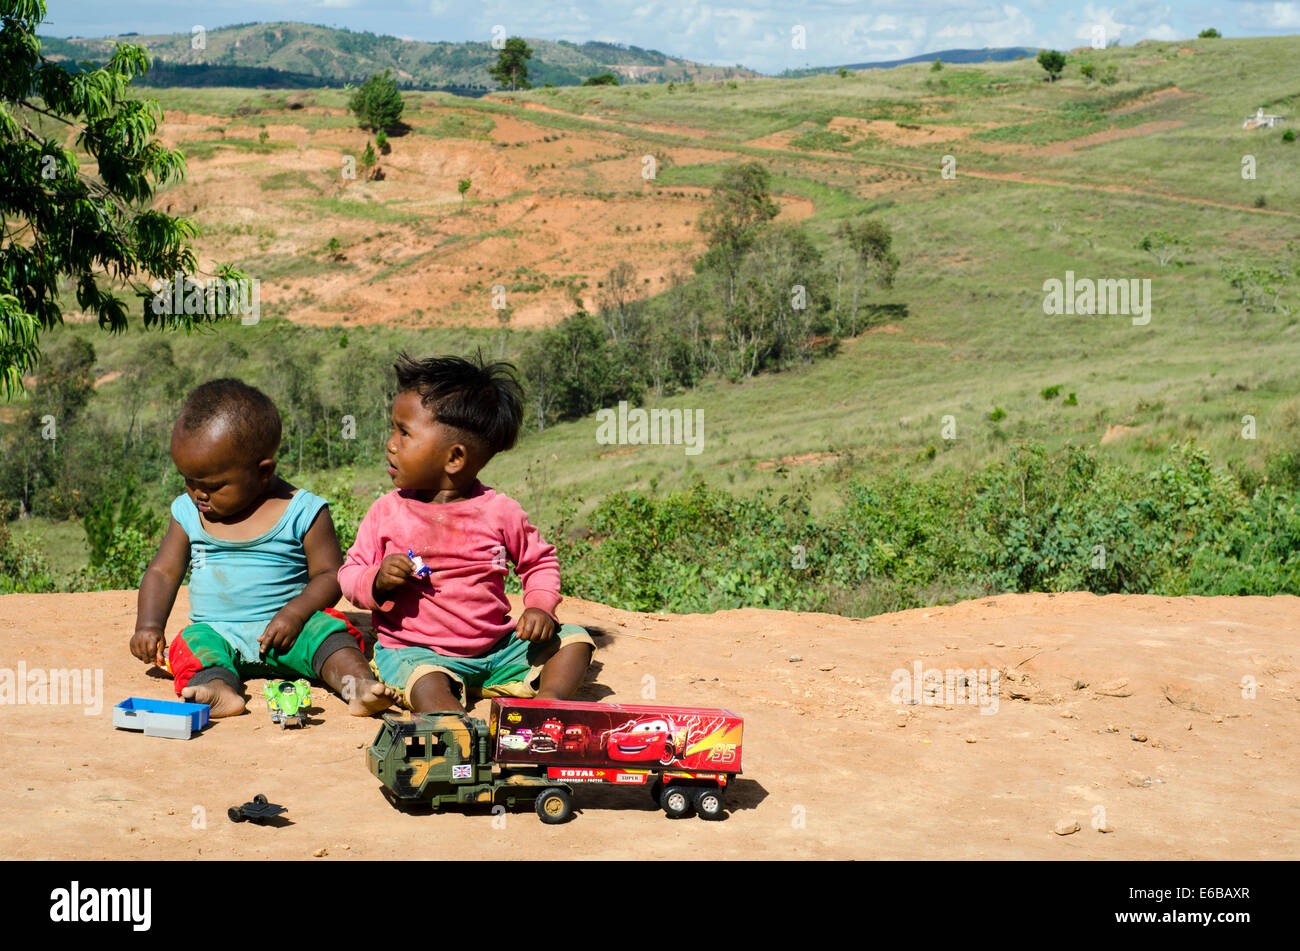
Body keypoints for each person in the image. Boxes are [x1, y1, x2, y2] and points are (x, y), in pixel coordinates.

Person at [338, 353, 594, 713]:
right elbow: (349, 573)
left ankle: (548, 706)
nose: (391, 443)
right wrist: (376, 580)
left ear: (454, 458)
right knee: (423, 679)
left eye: (404, 432)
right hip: (418, 651)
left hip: (497, 649)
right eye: (394, 430)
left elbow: (539, 563)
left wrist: (539, 607)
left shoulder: (500, 511)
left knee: (574, 641)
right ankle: (453, 722)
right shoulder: (387, 511)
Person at [130, 378, 396, 718]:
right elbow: (164, 571)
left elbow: (330, 574)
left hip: (292, 631)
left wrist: (295, 614)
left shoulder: (303, 511)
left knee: (330, 631)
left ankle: (356, 686)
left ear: (263, 472)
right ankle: (217, 688)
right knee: (192, 643)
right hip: (218, 632)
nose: (197, 493)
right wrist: (149, 625)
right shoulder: (186, 513)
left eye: (212, 485)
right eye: (188, 479)